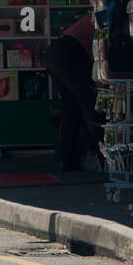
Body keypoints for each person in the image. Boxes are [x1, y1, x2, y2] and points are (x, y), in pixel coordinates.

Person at [44, 14, 101, 172]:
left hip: (55, 53)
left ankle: (69, 159)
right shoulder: (104, 20)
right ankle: (100, 156)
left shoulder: (94, 16)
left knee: (72, 108)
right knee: (90, 104)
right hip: (70, 53)